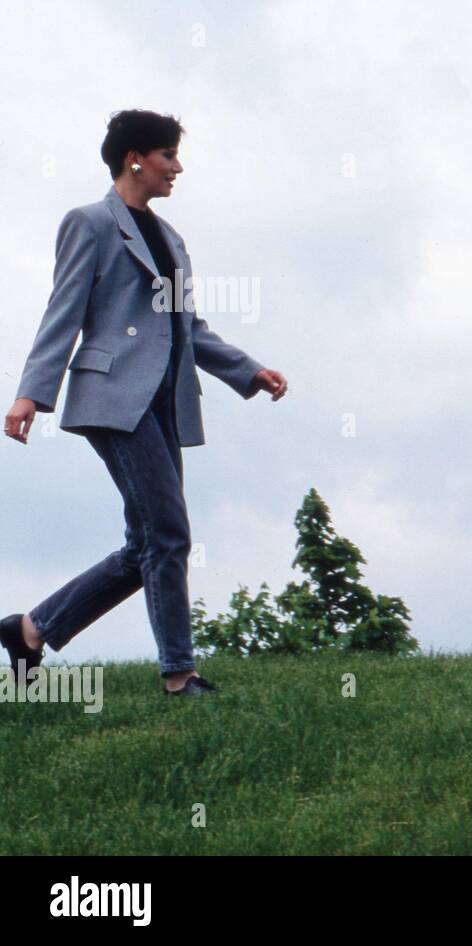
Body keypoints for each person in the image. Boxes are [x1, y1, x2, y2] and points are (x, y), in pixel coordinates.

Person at [1, 109, 288, 696]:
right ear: (135, 158)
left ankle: (30, 631)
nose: (177, 167)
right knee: (168, 533)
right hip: (113, 397)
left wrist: (247, 370)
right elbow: (63, 311)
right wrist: (32, 393)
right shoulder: (89, 223)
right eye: (168, 155)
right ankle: (180, 675)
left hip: (164, 402)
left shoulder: (171, 239)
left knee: (149, 543)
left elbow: (189, 328)